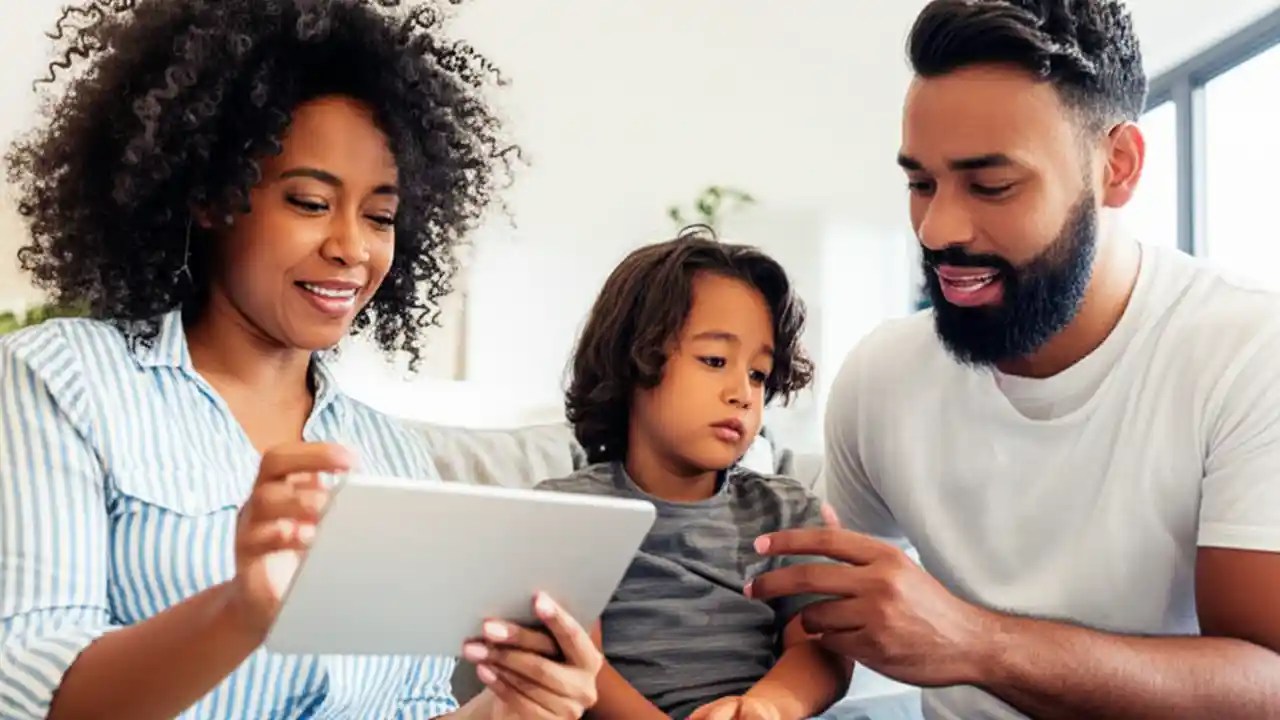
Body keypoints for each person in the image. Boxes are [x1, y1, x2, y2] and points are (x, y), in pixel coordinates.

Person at [0, 1, 602, 718]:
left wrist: (510, 709)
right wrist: (240, 610)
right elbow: (35, 700)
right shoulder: (62, 381)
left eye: (380, 216)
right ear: (210, 198)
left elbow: (409, 706)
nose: (353, 247)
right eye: (312, 202)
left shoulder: (393, 457)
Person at [745, 0, 1280, 718]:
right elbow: (827, 624)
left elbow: (1267, 683)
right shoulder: (882, 378)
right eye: (920, 183)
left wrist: (976, 642)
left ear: (1116, 166)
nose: (938, 229)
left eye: (991, 185)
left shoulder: (1247, 351)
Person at [537, 231, 853, 720]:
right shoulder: (565, 512)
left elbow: (823, 647)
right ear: (635, 359)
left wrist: (766, 708)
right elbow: (579, 664)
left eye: (758, 374)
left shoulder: (787, 513)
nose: (743, 393)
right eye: (714, 361)